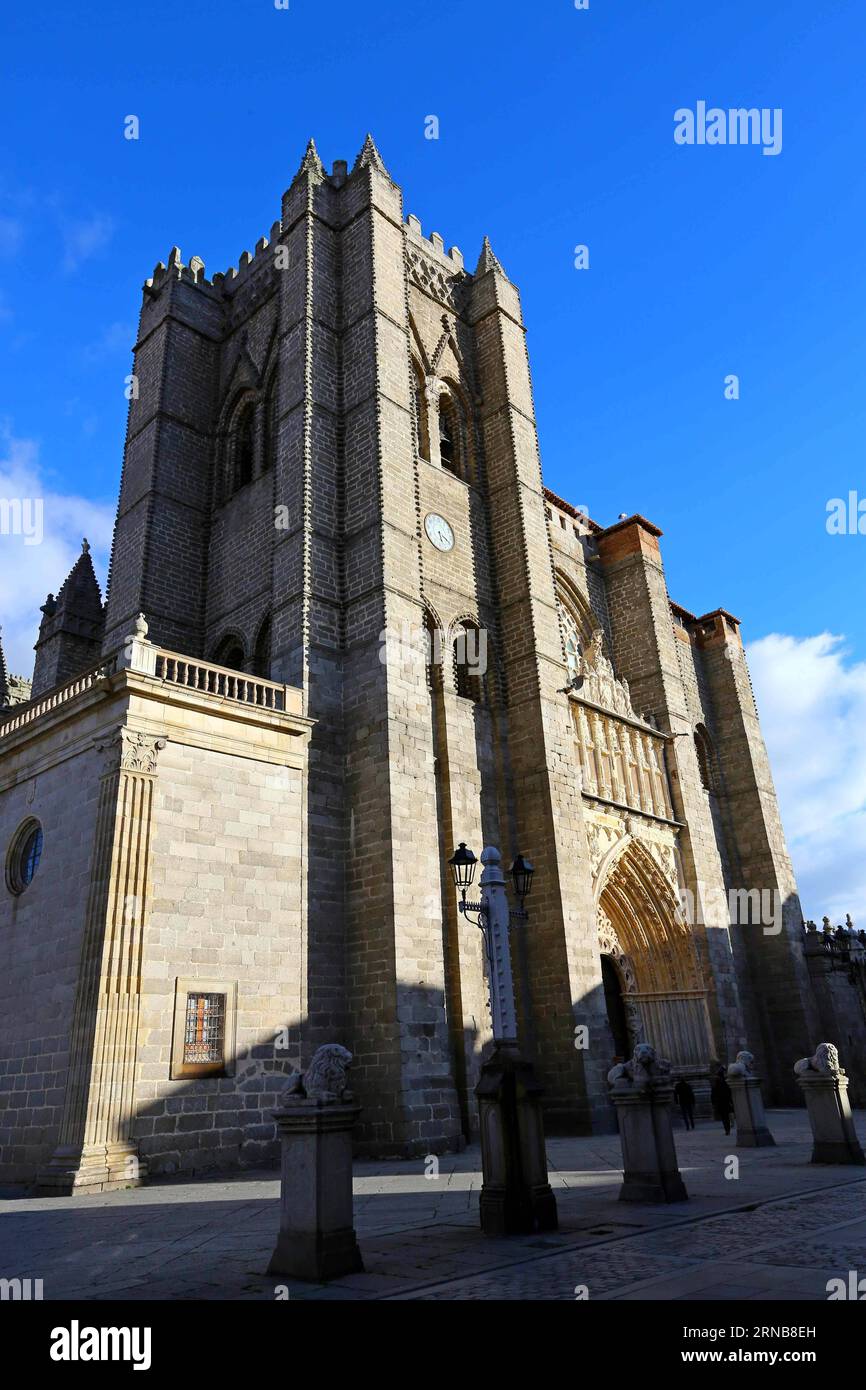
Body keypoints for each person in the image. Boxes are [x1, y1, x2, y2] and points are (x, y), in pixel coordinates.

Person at [710, 1068, 735, 1135]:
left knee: (724, 1117)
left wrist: (714, 1103)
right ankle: (728, 1129)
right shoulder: (726, 1083)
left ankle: (727, 1130)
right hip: (726, 1102)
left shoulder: (716, 1084)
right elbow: (730, 1093)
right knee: (726, 1117)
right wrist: (731, 1101)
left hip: (720, 1103)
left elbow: (713, 1094)